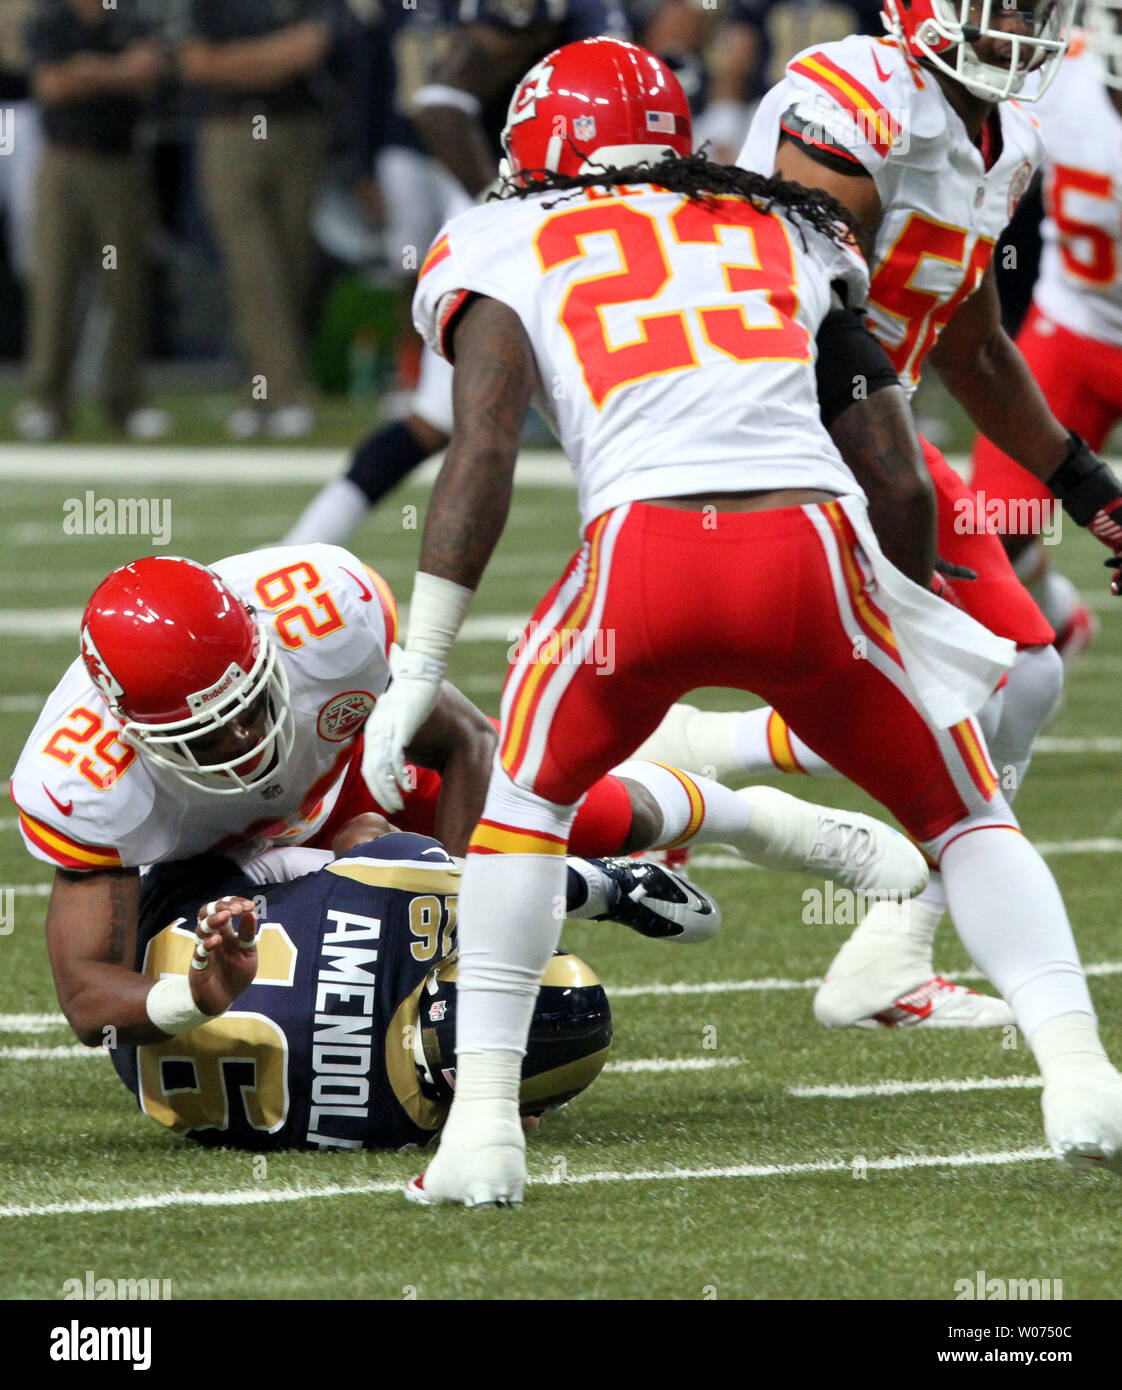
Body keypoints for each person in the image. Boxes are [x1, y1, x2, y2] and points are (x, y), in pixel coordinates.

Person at [364, 37, 1122, 1205]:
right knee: (968, 814)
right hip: (808, 552)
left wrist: (422, 661)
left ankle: (480, 1139)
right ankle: (1081, 1074)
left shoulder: (501, 235)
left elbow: (485, 452)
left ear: (536, 149)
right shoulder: (786, 224)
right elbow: (899, 466)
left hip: (643, 565)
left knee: (523, 807)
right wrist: (903, 612)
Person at [639, 0, 1122, 1030]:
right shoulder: (855, 92)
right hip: (769, 417)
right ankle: (704, 772)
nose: (1024, 30)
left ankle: (884, 948)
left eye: (1039, 12)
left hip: (874, 423)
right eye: (1005, 9)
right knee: (936, 673)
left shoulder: (1009, 136)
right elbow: (812, 309)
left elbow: (974, 345)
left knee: (1025, 673)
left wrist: (1088, 487)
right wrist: (896, 498)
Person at [10, 542, 920, 1052]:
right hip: (214, 879)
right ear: (131, 730)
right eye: (208, 735)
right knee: (268, 1028)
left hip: (343, 773)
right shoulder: (84, 777)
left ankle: (754, 819)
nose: (244, 742)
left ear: (262, 643)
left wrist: (452, 919)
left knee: (561, 808)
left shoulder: (324, 617)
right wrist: (194, 992)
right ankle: (593, 887)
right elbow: (89, 997)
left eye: (250, 706)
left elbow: (475, 740)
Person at [285, 0, 631, 547]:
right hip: (532, 217)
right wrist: (502, 201)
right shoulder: (519, 32)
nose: (497, 42)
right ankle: (300, 546)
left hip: (610, 217)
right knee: (441, 421)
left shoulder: (596, 25)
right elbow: (437, 106)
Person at [110, 816, 614, 1150]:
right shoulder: (398, 1125)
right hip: (150, 1081)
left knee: (363, 831)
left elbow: (363, 831)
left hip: (160, 911)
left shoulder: (405, 888)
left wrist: (604, 886)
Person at [970, 12, 1122, 665]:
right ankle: (1058, 613)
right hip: (1075, 329)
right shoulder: (1065, 74)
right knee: (994, 534)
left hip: (1076, 319)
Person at [178, 0, 333, 440]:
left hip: (296, 130)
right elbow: (198, 64)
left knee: (292, 266)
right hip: (229, 131)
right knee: (254, 268)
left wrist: (236, 61)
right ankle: (288, 392)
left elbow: (311, 48)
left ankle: (258, 392)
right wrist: (275, 57)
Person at [16, 0, 169, 442]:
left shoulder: (130, 17)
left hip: (118, 163)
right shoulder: (50, 20)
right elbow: (51, 85)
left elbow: (147, 74)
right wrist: (116, 72)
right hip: (64, 161)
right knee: (56, 282)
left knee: (123, 283)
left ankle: (125, 399)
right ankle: (47, 400)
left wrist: (89, 71)